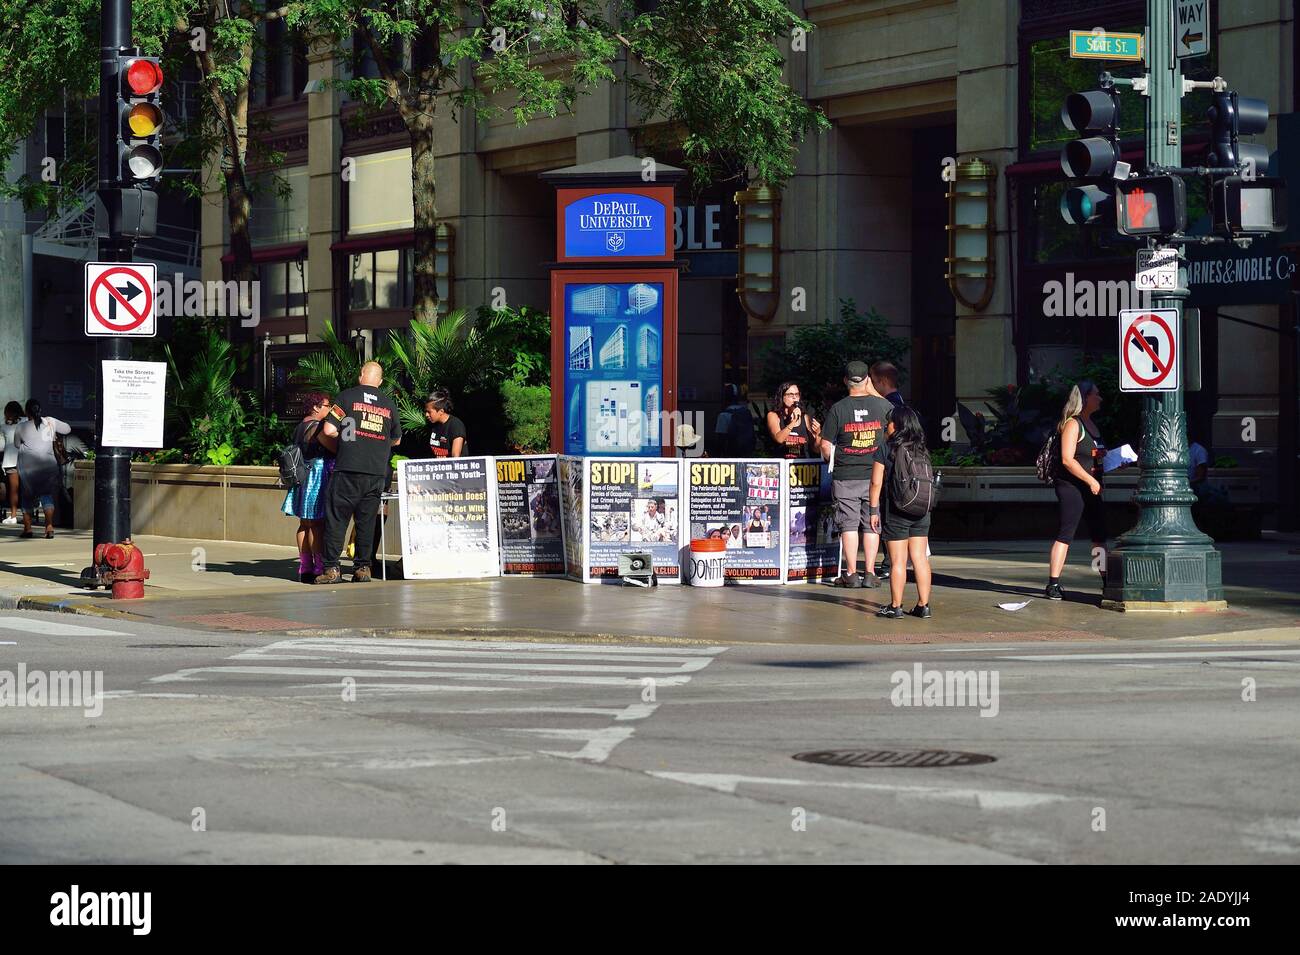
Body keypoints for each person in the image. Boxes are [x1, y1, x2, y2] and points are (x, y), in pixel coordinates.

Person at [314, 362, 403, 584]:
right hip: (375, 473)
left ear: (360, 375)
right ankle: (363, 568)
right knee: (366, 522)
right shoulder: (389, 405)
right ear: (380, 382)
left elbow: (329, 429)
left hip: (348, 469)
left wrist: (349, 441)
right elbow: (397, 438)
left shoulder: (346, 397)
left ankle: (332, 569)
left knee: (337, 519)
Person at [819, 361, 894, 588]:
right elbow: (893, 430)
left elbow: (825, 445)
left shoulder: (838, 409)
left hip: (845, 474)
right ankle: (870, 573)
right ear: (867, 380)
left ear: (845, 381)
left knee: (848, 524)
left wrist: (829, 458)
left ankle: (851, 574)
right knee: (872, 522)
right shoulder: (882, 407)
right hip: (874, 475)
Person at [1046, 381, 1107, 599]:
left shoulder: (1093, 424)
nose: (1100, 398)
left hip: (1093, 486)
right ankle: (1053, 583)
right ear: (1085, 397)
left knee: (1099, 535)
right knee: (1066, 533)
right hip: (1072, 486)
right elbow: (1067, 459)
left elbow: (1095, 457)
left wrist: (1114, 462)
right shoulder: (1073, 424)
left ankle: (1106, 579)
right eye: (1096, 395)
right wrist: (1090, 480)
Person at [874, 406, 933, 619]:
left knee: (898, 560)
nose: (885, 426)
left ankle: (895, 606)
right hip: (921, 510)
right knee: (920, 558)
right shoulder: (921, 448)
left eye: (888, 422)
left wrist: (873, 509)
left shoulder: (887, 448)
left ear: (896, 426)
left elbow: (875, 482)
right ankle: (923, 605)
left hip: (897, 510)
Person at [281, 392, 335, 583]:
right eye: (327, 405)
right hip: (315, 475)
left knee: (304, 524)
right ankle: (318, 568)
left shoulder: (300, 425)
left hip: (302, 475)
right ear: (316, 407)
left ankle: (305, 568)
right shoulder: (316, 427)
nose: (329, 409)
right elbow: (334, 448)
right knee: (317, 525)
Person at [12, 399, 70, 539]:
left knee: (27, 497)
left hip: (28, 469)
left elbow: (16, 444)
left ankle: (28, 529)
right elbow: (67, 429)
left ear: (26, 412)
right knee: (46, 496)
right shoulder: (50, 422)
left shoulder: (22, 427)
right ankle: (49, 527)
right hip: (48, 467)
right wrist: (52, 425)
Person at [767, 381, 821, 459]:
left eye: (797, 394)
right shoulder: (773, 415)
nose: (795, 398)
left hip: (803, 466)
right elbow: (779, 439)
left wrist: (818, 434)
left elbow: (816, 450)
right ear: (782, 396)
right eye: (790, 395)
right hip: (782, 465)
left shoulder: (805, 418)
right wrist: (794, 421)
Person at [715, 384, 756, 456]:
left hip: (731, 455)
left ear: (725, 397)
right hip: (746, 454)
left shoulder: (723, 416)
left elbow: (721, 441)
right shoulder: (745, 412)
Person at [424, 389, 466, 458]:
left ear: (441, 411)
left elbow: (456, 457)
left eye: (429, 412)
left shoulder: (455, 425)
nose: (426, 415)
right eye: (426, 411)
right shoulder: (432, 425)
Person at [1, 402, 23, 524]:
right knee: (28, 489)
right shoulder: (27, 422)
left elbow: (1, 446)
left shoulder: (4, 427)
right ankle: (27, 516)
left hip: (11, 461)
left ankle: (13, 515)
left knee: (14, 490)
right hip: (27, 460)